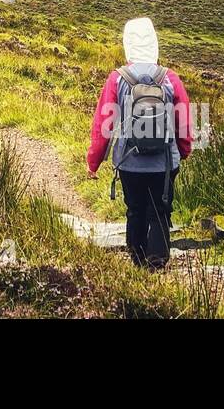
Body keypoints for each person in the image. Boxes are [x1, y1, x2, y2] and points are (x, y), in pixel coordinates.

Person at [86, 17, 192, 269]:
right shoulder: (170, 78)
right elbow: (184, 121)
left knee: (134, 209)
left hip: (129, 162)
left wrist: (94, 162)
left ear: (127, 43)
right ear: (155, 43)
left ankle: (137, 260)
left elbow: (104, 125)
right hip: (164, 163)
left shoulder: (117, 79)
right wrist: (184, 150)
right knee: (160, 210)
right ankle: (156, 264)